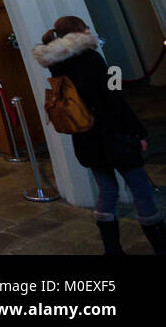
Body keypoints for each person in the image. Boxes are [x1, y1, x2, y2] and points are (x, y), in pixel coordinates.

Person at [33, 16, 164, 255]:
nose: (88, 29)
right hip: (113, 134)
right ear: (79, 32)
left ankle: (112, 249)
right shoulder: (91, 59)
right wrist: (137, 132)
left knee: (107, 190)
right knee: (141, 190)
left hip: (86, 137)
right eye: (85, 27)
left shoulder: (57, 64)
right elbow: (113, 100)